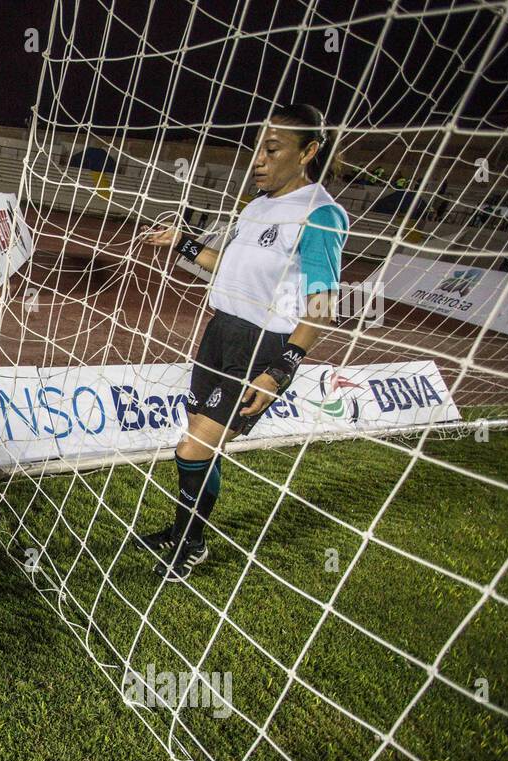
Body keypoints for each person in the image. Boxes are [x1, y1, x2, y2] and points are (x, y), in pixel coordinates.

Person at [134, 103, 348, 580]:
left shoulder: (321, 214)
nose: (258, 160)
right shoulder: (256, 207)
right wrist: (182, 242)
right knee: (199, 438)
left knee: (192, 448)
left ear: (308, 152)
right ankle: (184, 533)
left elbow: (322, 304)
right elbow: (225, 266)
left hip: (262, 346)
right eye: (257, 149)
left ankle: (191, 545)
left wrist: (280, 370)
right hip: (220, 333)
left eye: (272, 149)